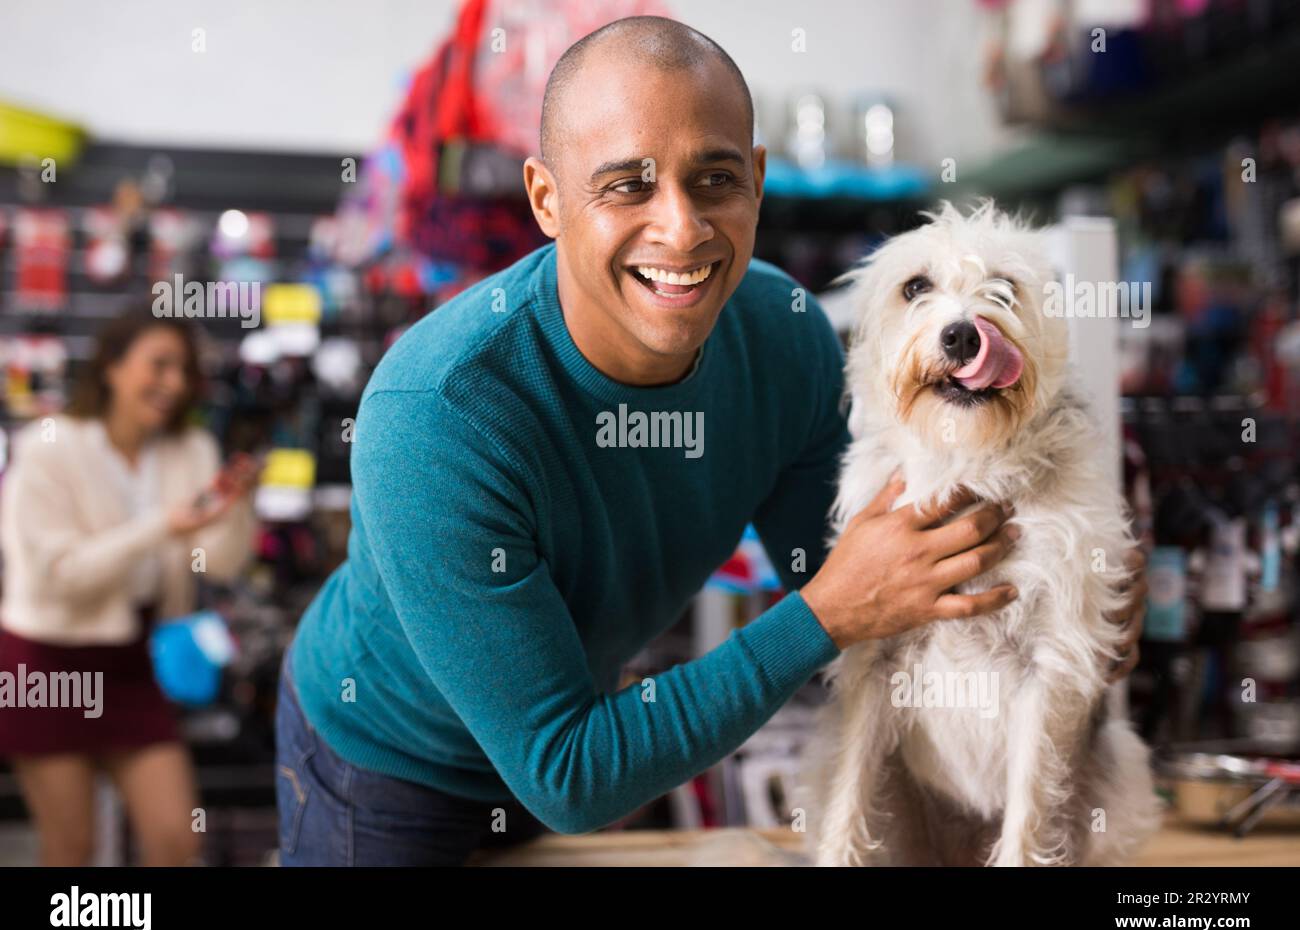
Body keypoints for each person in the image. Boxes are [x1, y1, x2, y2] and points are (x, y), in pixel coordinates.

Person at [277, 15, 1144, 866]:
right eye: (627, 185)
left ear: (758, 182)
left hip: (570, 735)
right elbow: (573, 773)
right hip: (388, 762)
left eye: (715, 180)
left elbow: (865, 578)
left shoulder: (785, 338)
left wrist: (1058, 597)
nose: (682, 228)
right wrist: (826, 613)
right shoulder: (439, 414)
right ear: (547, 198)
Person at [0, 313, 258, 865]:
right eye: (158, 365)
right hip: (45, 664)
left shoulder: (188, 449)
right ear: (112, 367)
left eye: (184, 370)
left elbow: (217, 563)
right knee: (70, 847)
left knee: (175, 839)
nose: (173, 383)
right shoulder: (49, 449)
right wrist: (164, 525)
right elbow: (58, 577)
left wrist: (239, 507)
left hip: (129, 660)